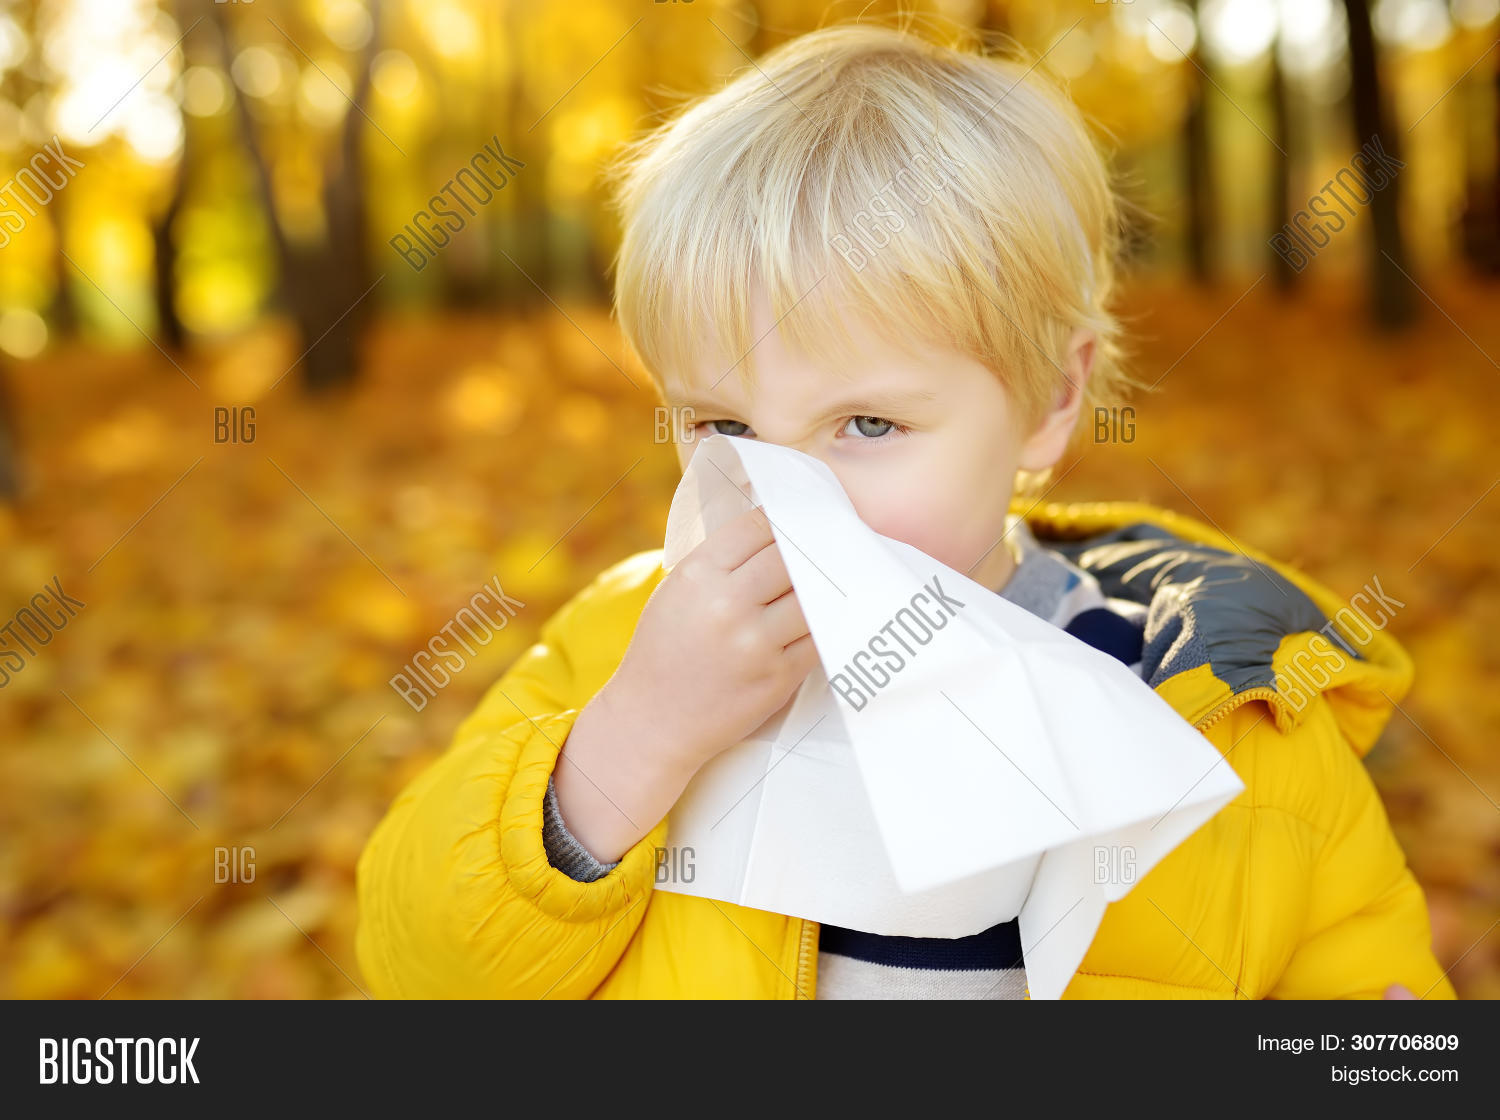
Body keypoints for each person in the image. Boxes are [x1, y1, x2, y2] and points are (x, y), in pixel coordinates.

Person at [355, 22, 1454, 999]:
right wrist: (624, 749)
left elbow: (1355, 974)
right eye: (724, 426)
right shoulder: (616, 652)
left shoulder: (1220, 715)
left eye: (868, 426)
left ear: (1050, 400)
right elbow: (421, 968)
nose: (784, 498)